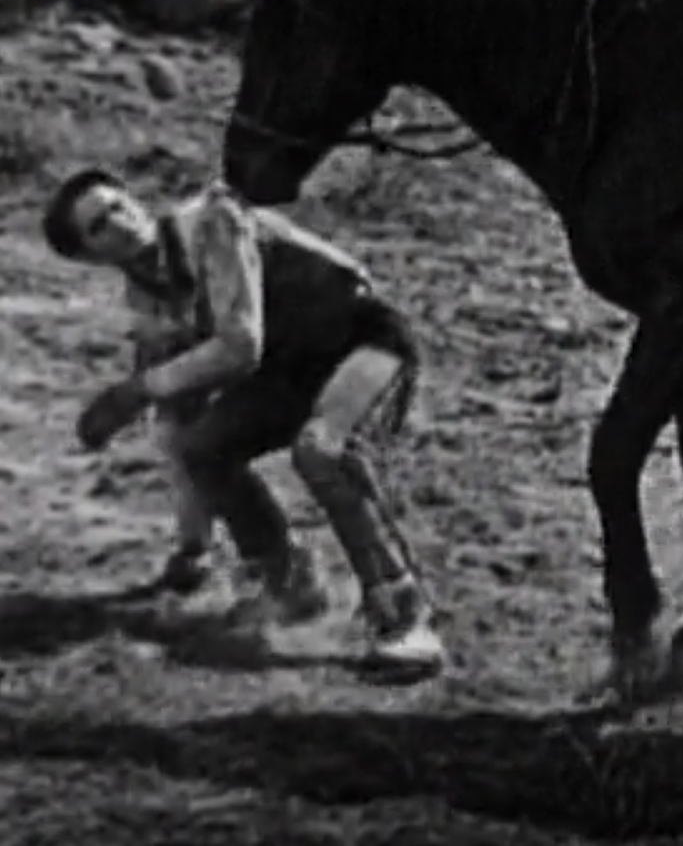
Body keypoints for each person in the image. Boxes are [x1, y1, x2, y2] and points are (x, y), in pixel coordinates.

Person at [41, 167, 444, 681]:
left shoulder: (210, 220)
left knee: (322, 451)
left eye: (119, 206)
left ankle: (404, 620)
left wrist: (137, 390)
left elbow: (238, 345)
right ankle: (290, 585)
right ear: (89, 257)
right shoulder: (148, 302)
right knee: (203, 446)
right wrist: (193, 547)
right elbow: (174, 426)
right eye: (99, 227)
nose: (120, 223)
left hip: (361, 339)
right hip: (290, 369)